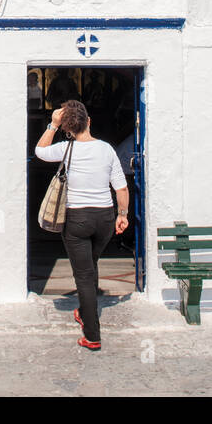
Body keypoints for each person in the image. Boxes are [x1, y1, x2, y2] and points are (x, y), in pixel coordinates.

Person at [35, 100, 128, 351]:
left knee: (84, 276)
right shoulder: (107, 149)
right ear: (89, 122)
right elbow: (121, 187)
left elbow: (40, 150)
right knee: (90, 265)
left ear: (67, 129)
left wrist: (52, 125)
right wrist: (123, 215)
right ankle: (85, 312)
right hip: (105, 219)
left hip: (77, 220)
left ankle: (92, 334)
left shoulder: (66, 148)